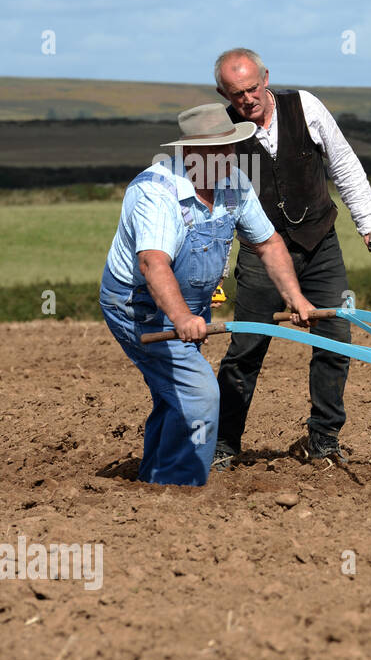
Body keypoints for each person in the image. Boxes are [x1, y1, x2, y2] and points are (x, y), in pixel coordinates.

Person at [100, 104, 315, 486]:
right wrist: (182, 318)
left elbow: (267, 243)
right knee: (199, 394)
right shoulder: (156, 193)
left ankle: (158, 479)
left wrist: (295, 297)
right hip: (141, 306)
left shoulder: (234, 183)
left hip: (190, 305)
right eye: (219, 151)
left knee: (177, 393)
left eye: (230, 148)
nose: (229, 158)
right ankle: (181, 486)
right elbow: (153, 264)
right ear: (190, 153)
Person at [212, 48, 371, 468]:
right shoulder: (219, 131)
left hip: (320, 244)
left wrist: (368, 219)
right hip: (260, 254)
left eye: (253, 88)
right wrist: (214, 274)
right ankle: (222, 445)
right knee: (246, 350)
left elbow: (343, 161)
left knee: (335, 340)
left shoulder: (304, 106)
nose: (247, 99)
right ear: (223, 93)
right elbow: (215, 206)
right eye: (236, 94)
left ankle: (323, 439)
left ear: (266, 78)